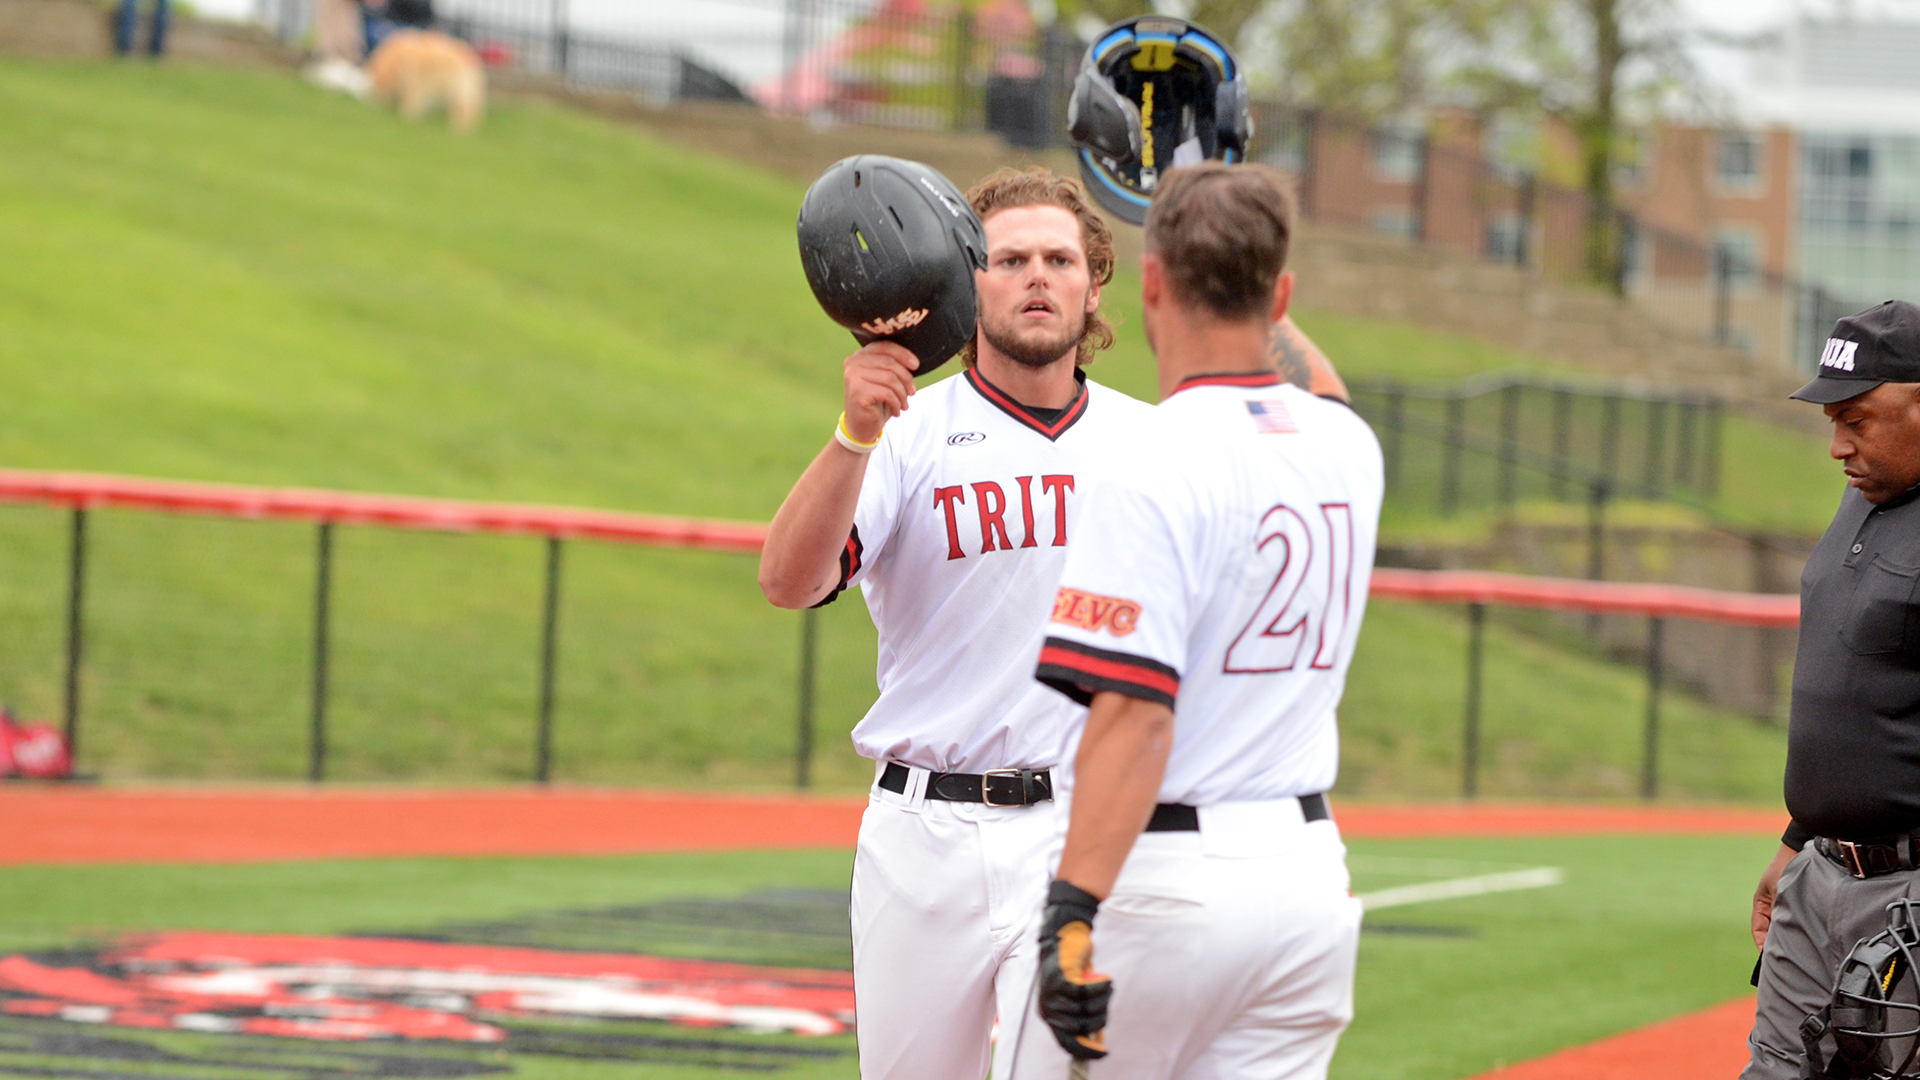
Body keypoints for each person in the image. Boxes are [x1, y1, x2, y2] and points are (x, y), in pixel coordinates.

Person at [758, 166, 1156, 1080]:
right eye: (1009, 257)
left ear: (1094, 285)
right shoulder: (906, 432)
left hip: (1081, 830)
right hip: (921, 832)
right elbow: (787, 582)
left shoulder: (1150, 444)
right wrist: (853, 431)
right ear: (960, 277)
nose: (1037, 276)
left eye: (1060, 258)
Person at [1005, 160, 1382, 1079]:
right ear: (1280, 291)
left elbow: (1133, 714)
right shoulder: (1347, 444)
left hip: (1164, 887)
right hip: (1305, 886)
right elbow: (1315, 384)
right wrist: (1230, 226)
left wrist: (1071, 908)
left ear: (1149, 283)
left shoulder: (1151, 457)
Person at [1746, 300, 1920, 1080]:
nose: (1837, 445)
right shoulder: (1864, 494)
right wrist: (1796, 839)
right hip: (1818, 875)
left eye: (1857, 418)